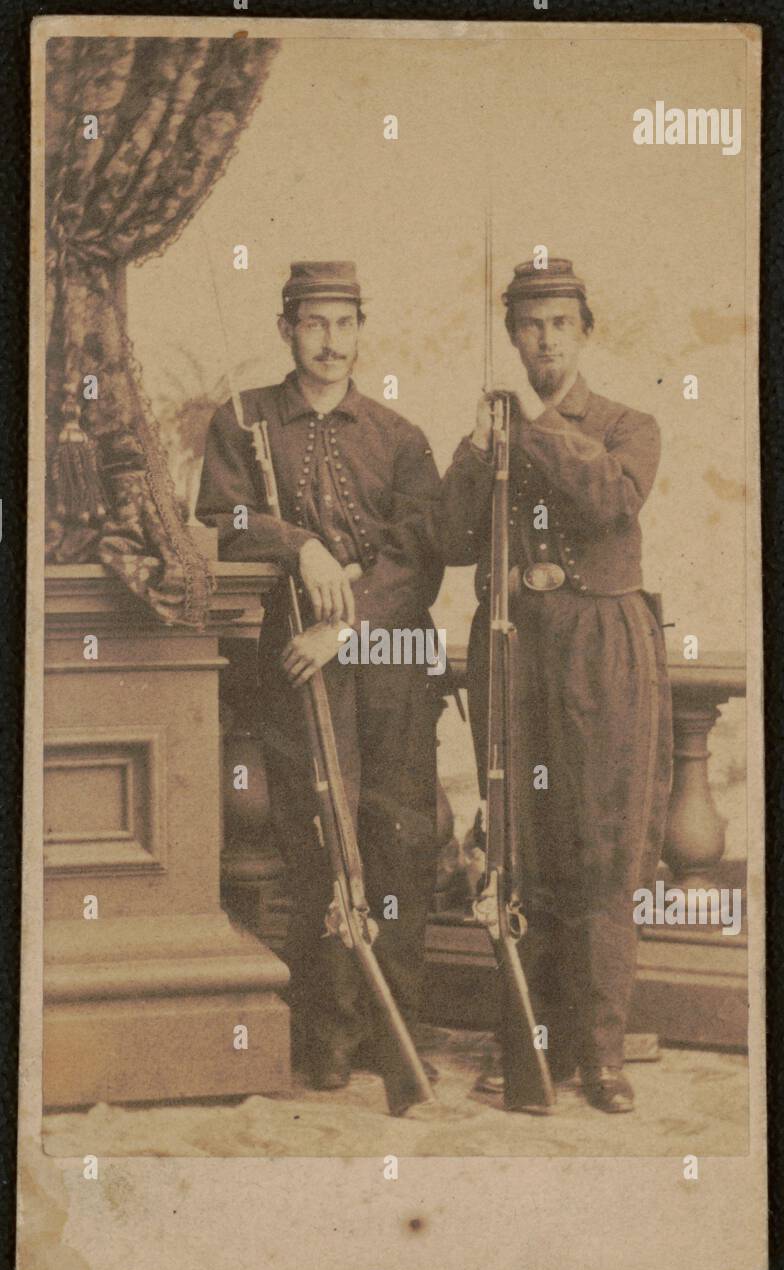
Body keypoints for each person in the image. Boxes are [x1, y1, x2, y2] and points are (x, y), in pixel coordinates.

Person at [197, 262, 443, 1090]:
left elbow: (419, 554)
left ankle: (395, 1029)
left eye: (345, 323)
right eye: (313, 324)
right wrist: (293, 542)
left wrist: (349, 623)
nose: (330, 342)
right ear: (286, 329)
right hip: (294, 660)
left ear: (362, 329)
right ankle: (328, 1036)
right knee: (316, 836)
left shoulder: (401, 438)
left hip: (388, 662)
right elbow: (221, 519)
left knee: (397, 837)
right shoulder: (243, 422)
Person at [440, 258, 672, 1113]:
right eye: (530, 324)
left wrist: (527, 429)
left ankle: (601, 1055)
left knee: (602, 846)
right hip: (513, 648)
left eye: (560, 323)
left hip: (603, 647)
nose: (545, 338)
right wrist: (475, 452)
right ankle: (524, 1042)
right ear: (513, 335)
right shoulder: (492, 435)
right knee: (517, 842)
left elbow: (610, 500)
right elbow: (452, 538)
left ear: (585, 331)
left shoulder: (628, 424)